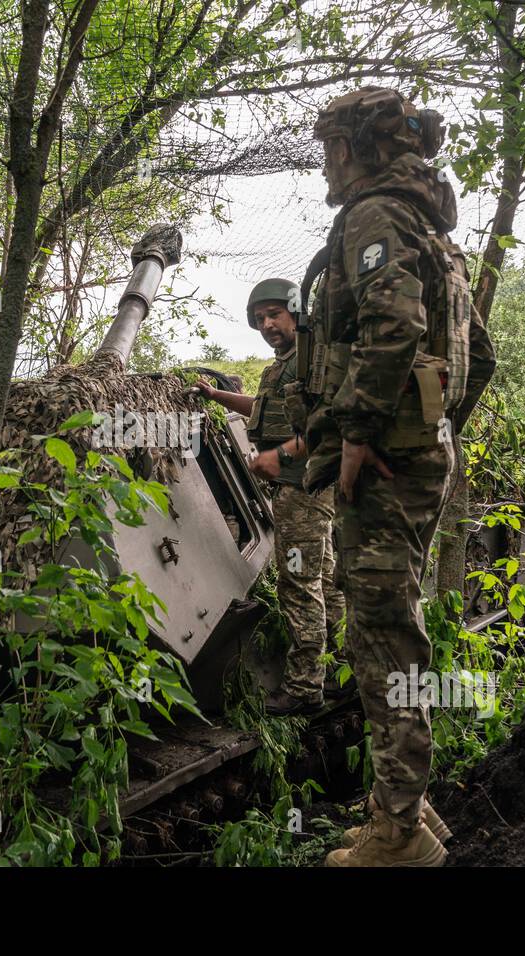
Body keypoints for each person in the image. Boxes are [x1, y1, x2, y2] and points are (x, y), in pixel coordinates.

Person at [293, 87, 496, 866]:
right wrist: (432, 433)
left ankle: (400, 836)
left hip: (384, 466)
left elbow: (396, 328)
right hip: (416, 460)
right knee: (392, 630)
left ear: (350, 148)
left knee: (381, 639)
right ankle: (400, 804)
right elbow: (481, 354)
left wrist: (362, 434)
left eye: (328, 151)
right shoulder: (432, 231)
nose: (324, 168)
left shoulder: (376, 216)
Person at [194, 279, 346, 716]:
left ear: (296, 312)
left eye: (274, 314)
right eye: (259, 318)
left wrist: (280, 457)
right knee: (328, 583)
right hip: (301, 489)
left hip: (304, 488)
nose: (266, 324)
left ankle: (304, 688)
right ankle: (340, 673)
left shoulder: (312, 361)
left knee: (299, 585)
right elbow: (262, 411)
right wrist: (214, 394)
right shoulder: (282, 366)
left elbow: (331, 424)